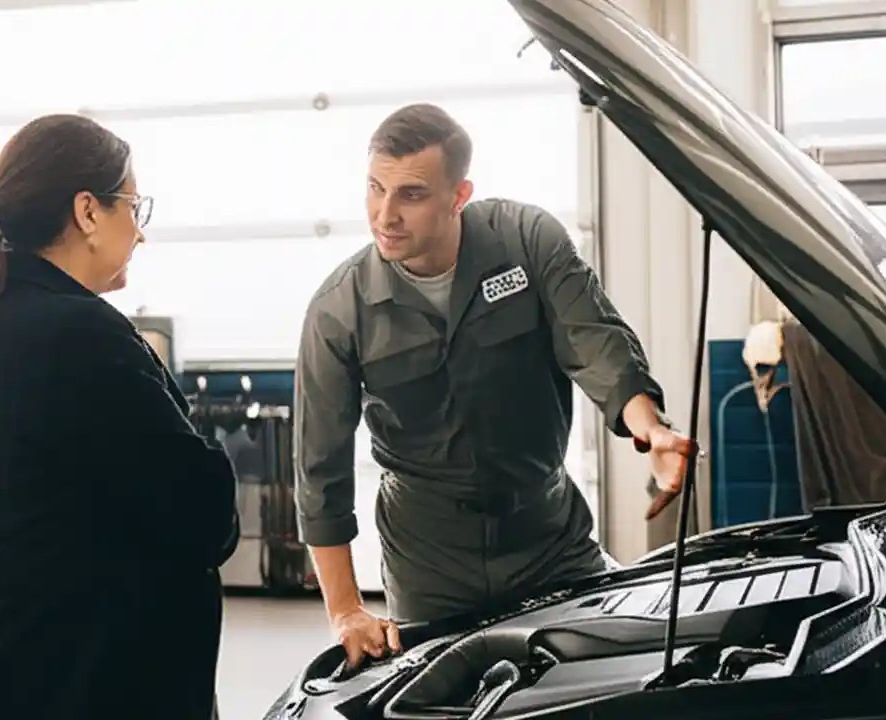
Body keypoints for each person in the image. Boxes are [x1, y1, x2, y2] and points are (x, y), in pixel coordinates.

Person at [293, 103, 693, 668]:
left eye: (410, 194)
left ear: (459, 196)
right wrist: (346, 610)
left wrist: (649, 428)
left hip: (549, 539)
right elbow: (319, 469)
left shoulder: (527, 243)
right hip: (428, 561)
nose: (385, 214)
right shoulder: (340, 310)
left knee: (609, 681)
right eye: (374, 189)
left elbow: (594, 340)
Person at [0, 114, 240, 720]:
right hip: (92, 678)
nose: (140, 235)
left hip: (18, 663)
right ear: (88, 211)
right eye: (133, 208)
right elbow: (202, 514)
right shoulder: (80, 334)